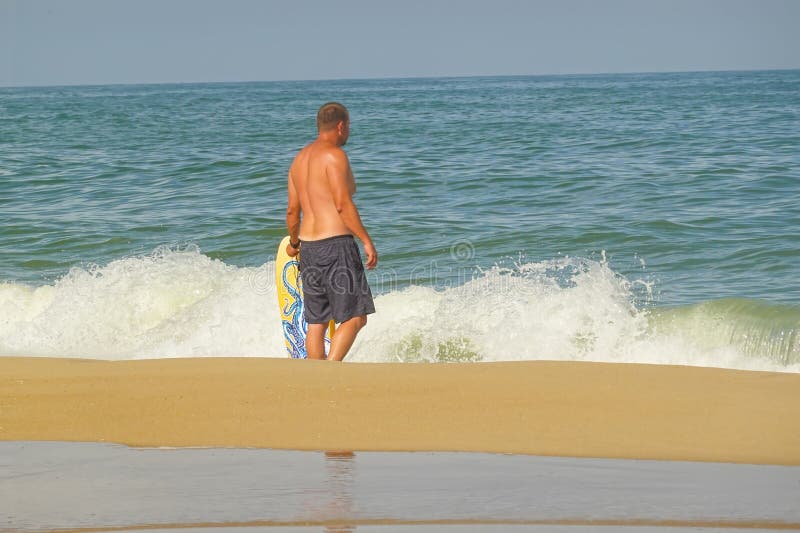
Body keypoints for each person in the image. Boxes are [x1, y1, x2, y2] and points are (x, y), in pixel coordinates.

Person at [285, 102, 377, 361]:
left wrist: (294, 243)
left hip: (309, 247)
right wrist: (366, 240)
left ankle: (316, 376)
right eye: (348, 127)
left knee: (317, 322)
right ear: (341, 126)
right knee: (355, 317)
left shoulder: (298, 160)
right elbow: (342, 203)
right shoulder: (335, 156)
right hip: (336, 246)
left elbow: (293, 211)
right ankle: (330, 371)